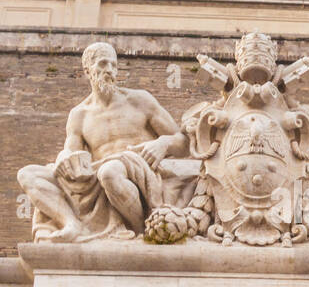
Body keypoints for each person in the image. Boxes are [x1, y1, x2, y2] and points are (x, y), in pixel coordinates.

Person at [17, 42, 187, 241]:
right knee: (27, 174)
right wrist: (64, 159)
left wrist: (163, 143)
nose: (110, 70)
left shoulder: (140, 100)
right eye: (103, 64)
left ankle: (141, 228)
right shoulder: (79, 115)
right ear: (88, 70)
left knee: (110, 172)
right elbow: (73, 158)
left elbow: (184, 143)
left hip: (136, 172)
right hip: (96, 177)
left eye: (114, 65)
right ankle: (71, 223)